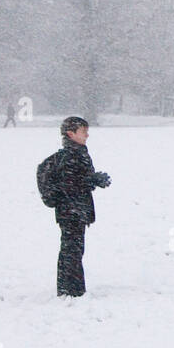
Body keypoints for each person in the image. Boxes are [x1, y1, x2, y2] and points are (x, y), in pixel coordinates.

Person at [49, 116, 111, 297]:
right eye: (84, 132)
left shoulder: (79, 152)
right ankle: (70, 290)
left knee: (73, 248)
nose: (87, 135)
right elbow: (70, 184)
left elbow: (77, 180)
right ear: (71, 133)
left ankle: (72, 288)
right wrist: (91, 180)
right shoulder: (71, 155)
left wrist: (93, 180)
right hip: (71, 210)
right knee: (72, 249)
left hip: (76, 209)